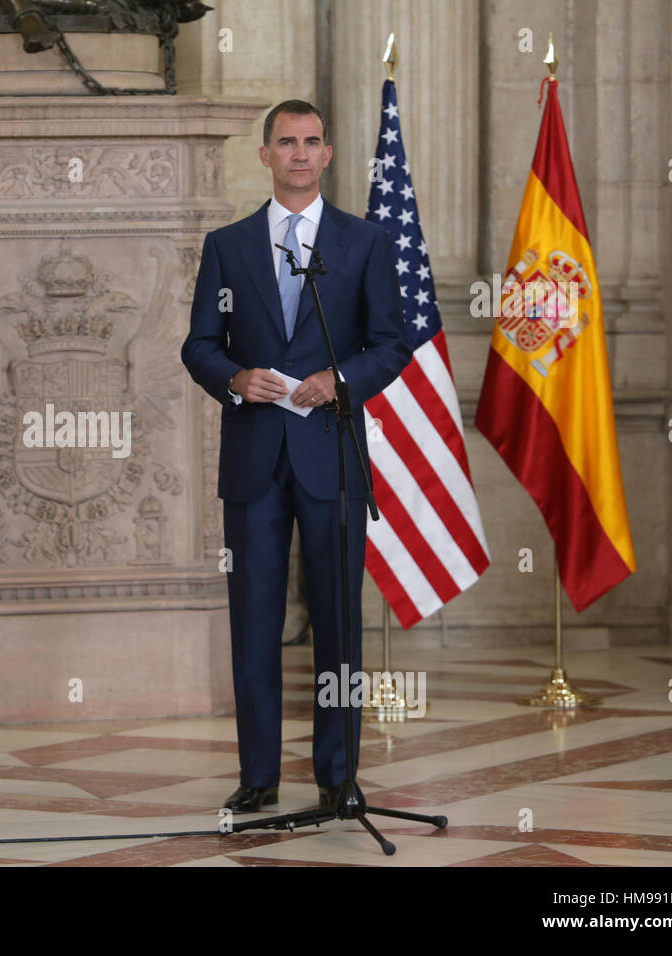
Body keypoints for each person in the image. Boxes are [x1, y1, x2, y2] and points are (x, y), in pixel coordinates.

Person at [181, 100, 411, 813]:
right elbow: (199, 343)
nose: (301, 154)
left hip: (329, 455)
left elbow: (392, 342)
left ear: (329, 154)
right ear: (266, 155)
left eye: (313, 142)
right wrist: (233, 378)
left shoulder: (365, 242)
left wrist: (337, 381)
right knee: (254, 619)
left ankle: (338, 774)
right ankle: (258, 775)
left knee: (338, 619)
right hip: (253, 457)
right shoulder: (227, 244)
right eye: (287, 142)